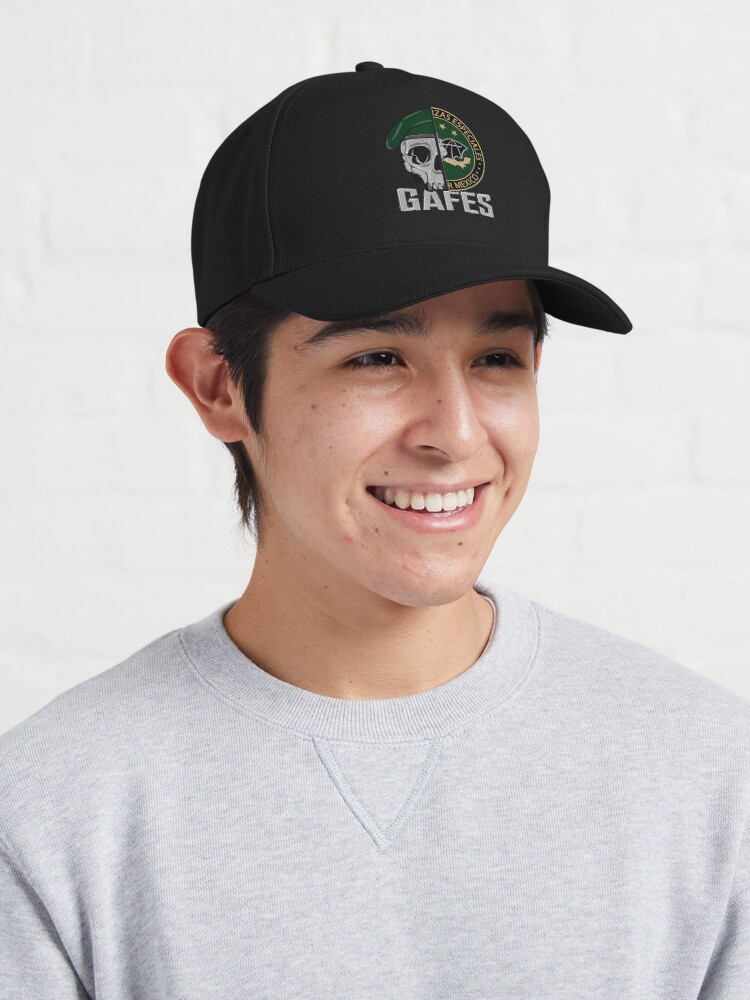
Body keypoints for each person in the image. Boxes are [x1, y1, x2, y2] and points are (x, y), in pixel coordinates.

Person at [1, 62, 748, 999]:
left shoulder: (711, 777)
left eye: (498, 358)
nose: (456, 434)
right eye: (378, 358)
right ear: (218, 385)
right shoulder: (51, 817)